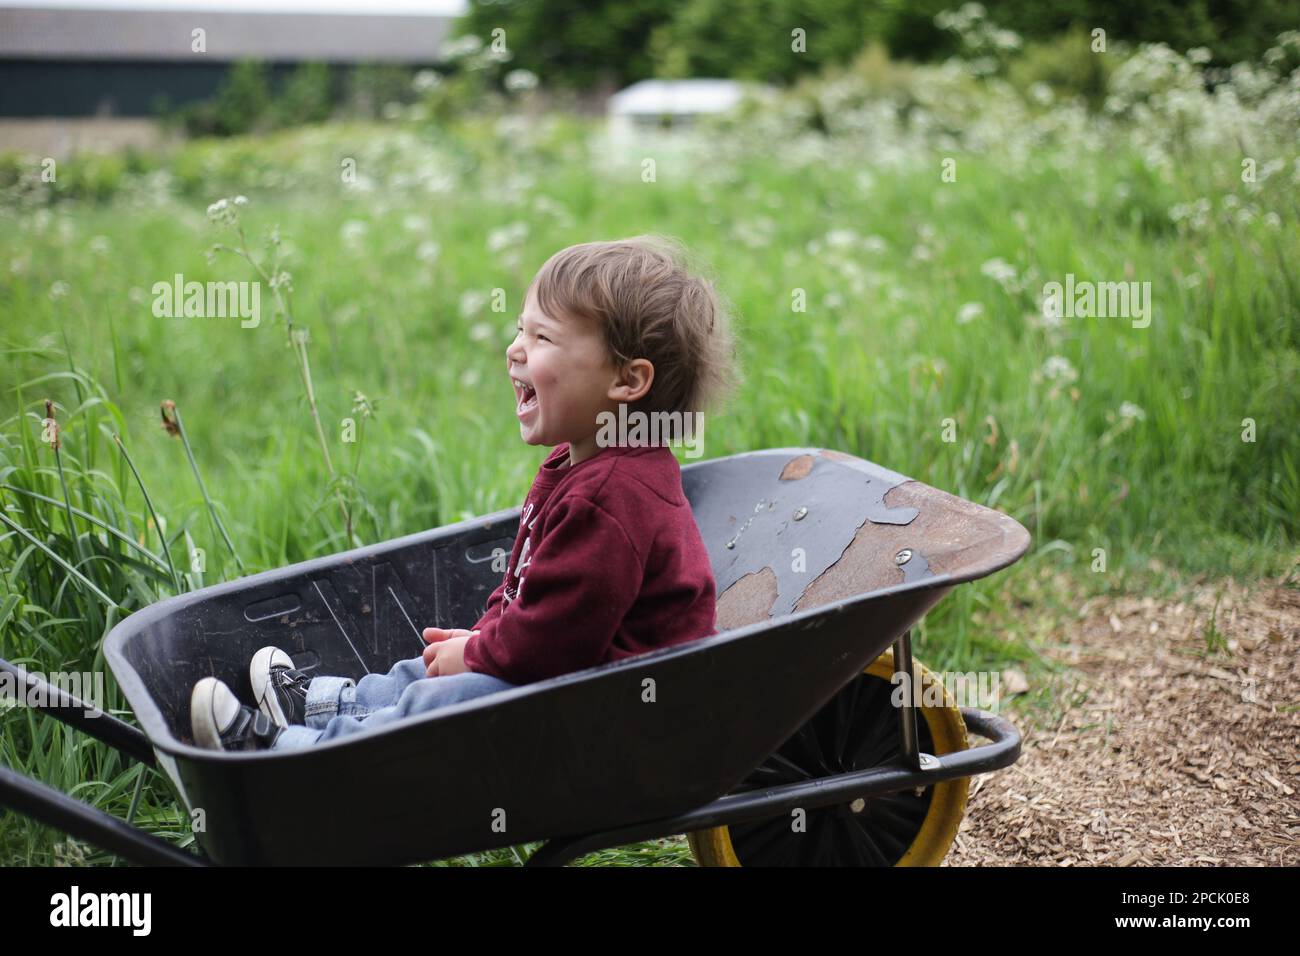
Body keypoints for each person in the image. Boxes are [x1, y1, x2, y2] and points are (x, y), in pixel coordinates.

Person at [190, 235, 740, 751]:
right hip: (574, 683)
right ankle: (323, 708)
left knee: (453, 698)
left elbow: (552, 643)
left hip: (616, 720)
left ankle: (291, 754)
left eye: (542, 338)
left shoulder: (613, 497)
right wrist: (484, 638)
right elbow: (530, 588)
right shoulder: (579, 464)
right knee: (426, 667)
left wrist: (482, 655)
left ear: (627, 382)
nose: (515, 350)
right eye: (521, 330)